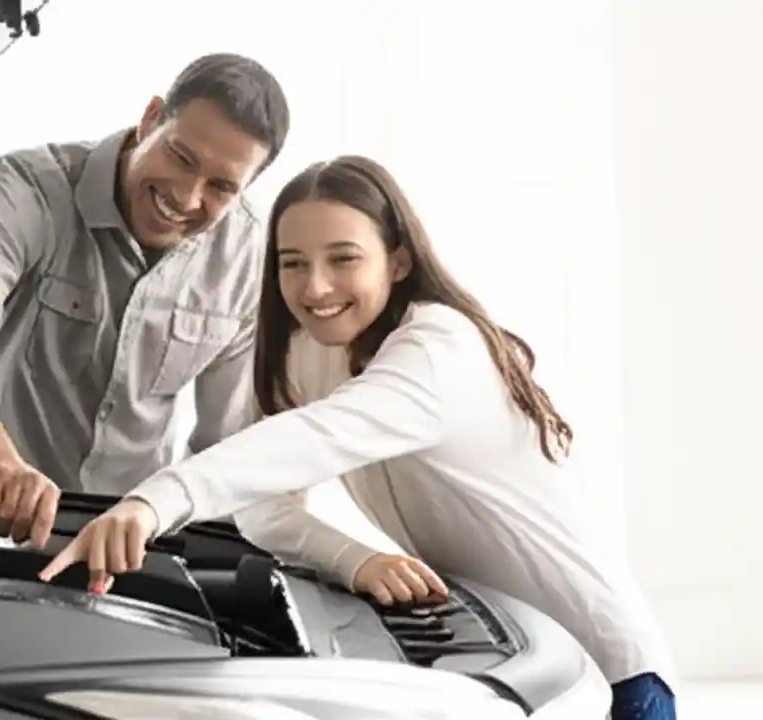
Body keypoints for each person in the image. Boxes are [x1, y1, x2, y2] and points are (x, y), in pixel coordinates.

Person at [39, 156, 678, 719]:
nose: (315, 288)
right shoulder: (305, 353)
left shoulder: (439, 347)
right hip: (507, 660)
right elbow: (264, 504)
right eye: (293, 263)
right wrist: (355, 559)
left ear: (398, 260)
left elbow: (311, 439)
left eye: (343, 259)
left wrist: (153, 502)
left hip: (607, 674)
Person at [0, 53, 290, 550]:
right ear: (151, 119)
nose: (188, 198)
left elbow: (227, 451)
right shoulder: (34, 186)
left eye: (222, 187)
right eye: (182, 158)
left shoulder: (248, 259)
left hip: (127, 544)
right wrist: (0, 467)